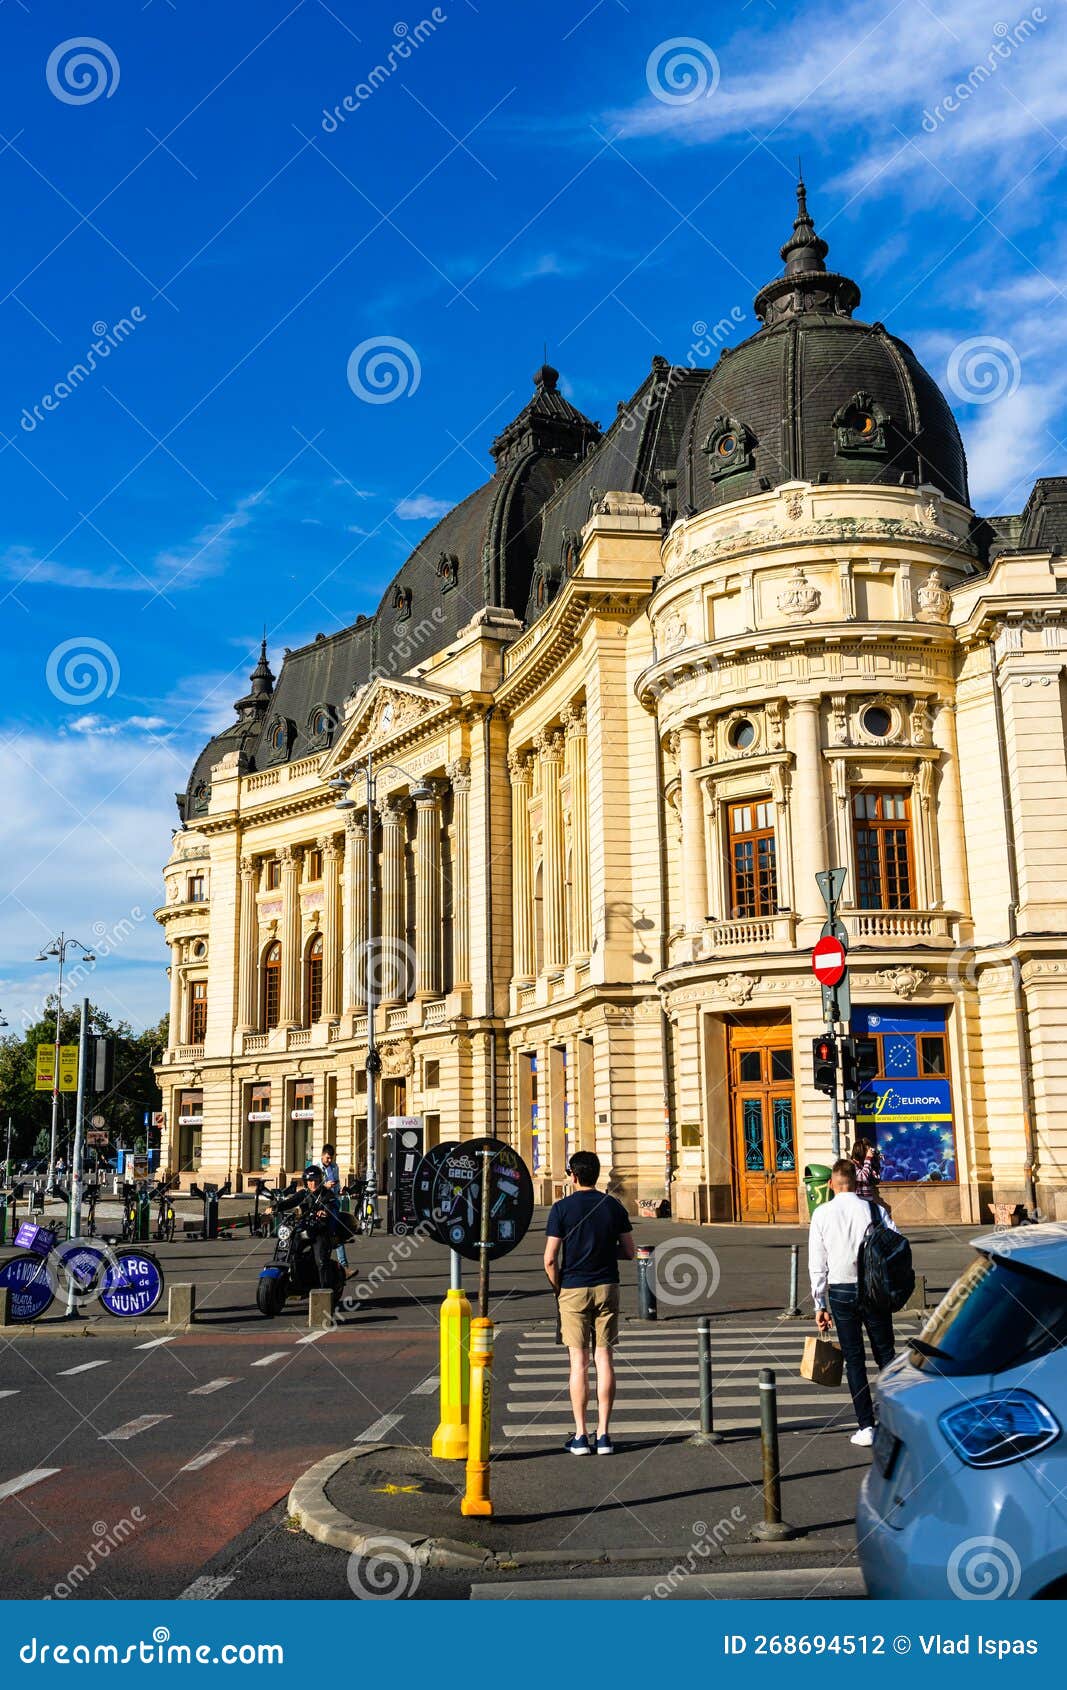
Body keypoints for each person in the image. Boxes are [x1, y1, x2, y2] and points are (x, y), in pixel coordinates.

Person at [543, 1150, 635, 1456]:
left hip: (573, 1288)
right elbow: (629, 1252)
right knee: (604, 1359)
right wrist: (606, 1252)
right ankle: (605, 1434)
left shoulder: (561, 1209)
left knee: (578, 1363)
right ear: (596, 1175)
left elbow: (550, 1259)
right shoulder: (613, 1206)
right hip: (608, 1285)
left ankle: (581, 1435)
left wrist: (559, 1289)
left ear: (573, 1176)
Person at [809, 1158, 899, 1448]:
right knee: (885, 1354)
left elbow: (816, 1263)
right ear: (855, 1182)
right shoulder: (875, 1209)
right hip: (874, 1291)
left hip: (841, 1291)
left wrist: (819, 1303)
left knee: (854, 1360)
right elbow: (897, 1244)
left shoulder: (822, 1214)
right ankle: (895, 1421)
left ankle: (866, 1427)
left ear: (831, 1184)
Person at [277, 1164, 338, 1289]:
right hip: (304, 1229)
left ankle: (324, 1291)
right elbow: (291, 1202)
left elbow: (331, 1205)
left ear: (320, 1181)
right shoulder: (303, 1194)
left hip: (320, 1231)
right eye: (310, 1181)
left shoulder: (327, 1194)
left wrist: (325, 1212)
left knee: (321, 1261)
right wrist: (274, 1208)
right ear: (305, 1182)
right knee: (290, 1251)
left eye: (316, 1180)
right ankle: (294, 1281)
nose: (313, 1183)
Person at [320, 1143, 348, 1269]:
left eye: (331, 1158)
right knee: (325, 1234)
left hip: (333, 1201)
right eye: (327, 1158)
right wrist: (324, 1186)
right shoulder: (316, 1167)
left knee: (335, 1230)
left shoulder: (335, 1167)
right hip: (320, 1203)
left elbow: (336, 1183)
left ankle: (343, 1265)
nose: (329, 1160)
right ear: (322, 1155)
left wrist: (339, 1190)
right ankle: (323, 1263)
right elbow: (309, 1187)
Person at [851, 1137, 882, 1203]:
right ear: (860, 1151)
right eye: (867, 1150)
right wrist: (868, 1159)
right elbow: (863, 1177)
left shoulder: (865, 1165)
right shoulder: (852, 1164)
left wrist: (875, 1162)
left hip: (869, 1200)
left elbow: (876, 1179)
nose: (869, 1153)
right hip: (858, 1201)